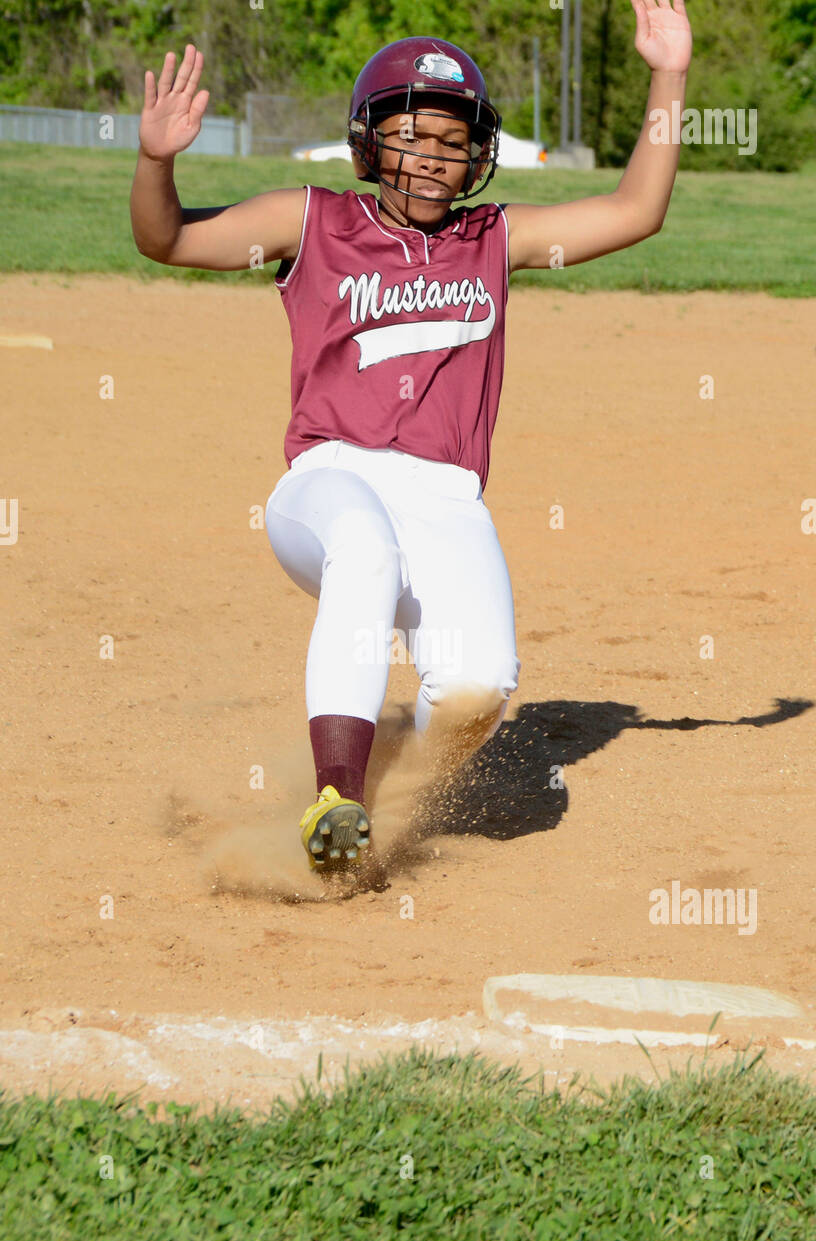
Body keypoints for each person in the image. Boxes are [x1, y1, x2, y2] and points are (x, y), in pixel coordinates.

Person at [130, 3, 692, 873]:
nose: (432, 153)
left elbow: (637, 210)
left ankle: (379, 807)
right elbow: (165, 239)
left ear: (477, 153)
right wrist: (156, 161)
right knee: (363, 547)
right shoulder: (313, 220)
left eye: (451, 137)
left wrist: (669, 75)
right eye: (411, 133)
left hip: (444, 495)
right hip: (328, 479)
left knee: (477, 689)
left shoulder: (494, 239)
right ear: (368, 143)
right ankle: (336, 791)